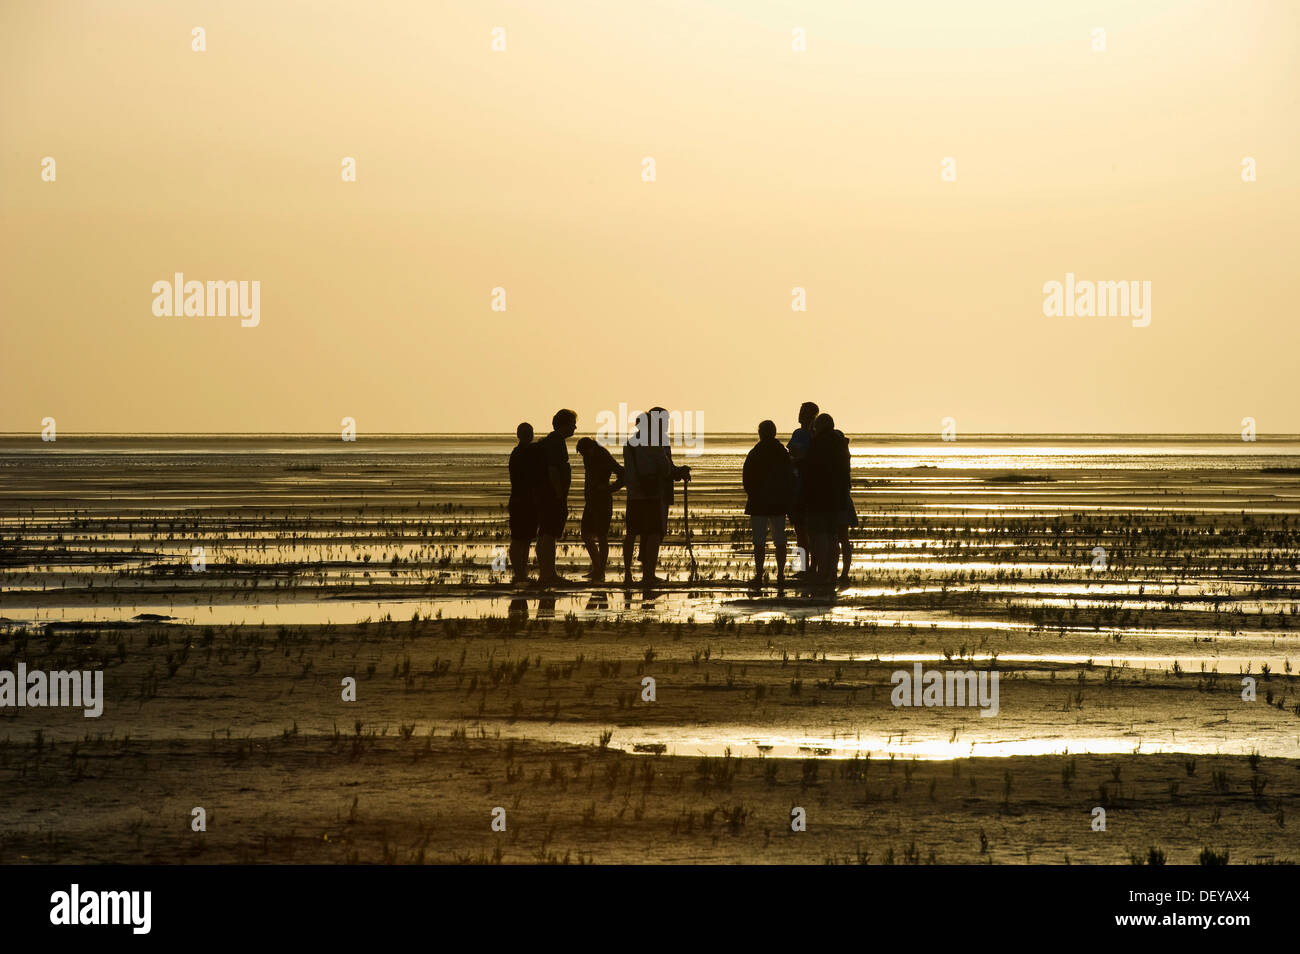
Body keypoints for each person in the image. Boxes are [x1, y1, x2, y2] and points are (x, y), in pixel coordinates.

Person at [622, 408, 690, 586]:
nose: (666, 424)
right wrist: (679, 471)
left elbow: (629, 470)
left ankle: (627, 572)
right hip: (652, 495)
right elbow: (666, 468)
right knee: (653, 534)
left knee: (632, 533)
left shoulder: (630, 442)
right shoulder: (654, 441)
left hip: (633, 494)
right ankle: (648, 575)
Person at [743, 420, 795, 589]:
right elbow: (789, 477)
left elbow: (747, 479)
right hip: (778, 502)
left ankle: (759, 574)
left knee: (759, 541)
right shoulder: (782, 452)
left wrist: (753, 493)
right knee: (780, 539)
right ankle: (780, 574)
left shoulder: (755, 453)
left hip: (758, 502)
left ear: (760, 433)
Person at [534, 408, 577, 586]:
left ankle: (546, 572)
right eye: (573, 424)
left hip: (546, 495)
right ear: (565, 425)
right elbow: (553, 469)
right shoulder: (556, 442)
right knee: (549, 534)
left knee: (545, 533)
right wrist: (559, 492)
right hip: (552, 496)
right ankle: (548, 574)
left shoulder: (550, 441)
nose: (575, 428)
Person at [800, 412, 842, 586]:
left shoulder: (817, 443)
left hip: (819, 495)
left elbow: (810, 469)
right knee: (833, 536)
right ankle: (832, 572)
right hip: (836, 495)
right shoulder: (840, 443)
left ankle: (821, 571)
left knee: (818, 535)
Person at [576, 436, 625, 583]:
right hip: (591, 500)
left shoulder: (603, 455)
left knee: (602, 536)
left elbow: (622, 472)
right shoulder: (588, 457)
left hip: (602, 501)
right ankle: (597, 567)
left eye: (584, 453)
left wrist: (610, 488)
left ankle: (600, 570)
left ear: (590, 448)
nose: (583, 456)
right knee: (585, 534)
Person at [507, 422, 545, 583]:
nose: (529, 434)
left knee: (524, 538)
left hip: (524, 500)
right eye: (528, 432)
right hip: (522, 500)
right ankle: (519, 572)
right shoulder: (523, 453)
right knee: (519, 539)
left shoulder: (521, 452)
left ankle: (521, 572)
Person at [787, 402, 818, 576]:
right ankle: (809, 566)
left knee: (803, 531)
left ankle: (806, 567)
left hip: (801, 488)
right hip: (807, 487)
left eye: (803, 412)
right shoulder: (814, 436)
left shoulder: (801, 434)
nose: (800, 415)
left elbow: (794, 453)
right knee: (808, 531)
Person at [833, 428, 857, 586]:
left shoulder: (838, 455)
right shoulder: (844, 454)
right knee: (843, 538)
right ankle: (844, 572)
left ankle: (839, 571)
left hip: (838, 501)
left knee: (837, 538)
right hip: (844, 500)